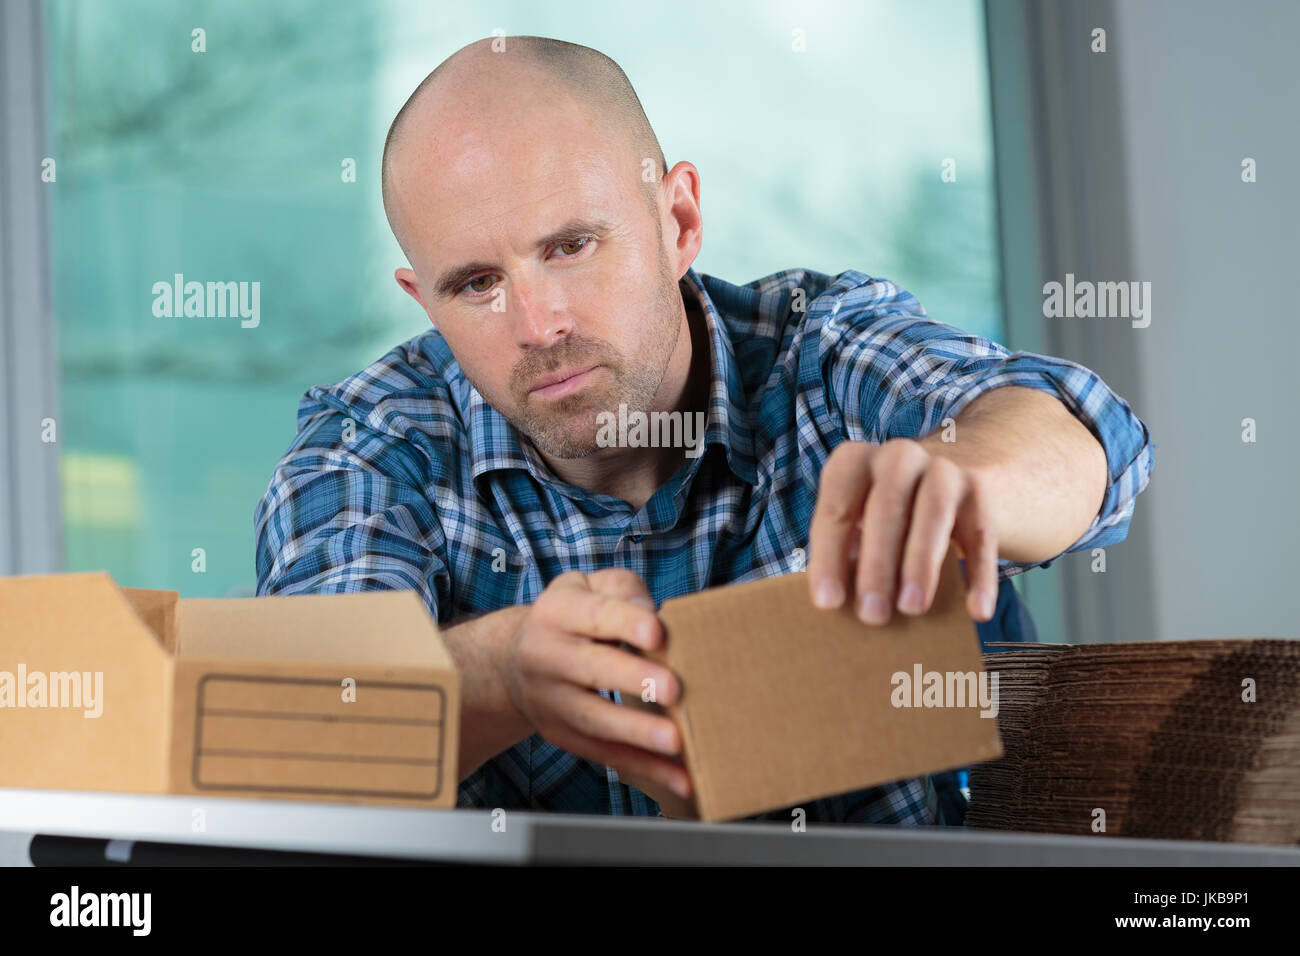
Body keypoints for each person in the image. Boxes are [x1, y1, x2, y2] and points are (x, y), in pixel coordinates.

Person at [254, 35, 1154, 823]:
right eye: (476, 284)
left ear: (677, 220)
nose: (538, 323)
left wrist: (966, 477)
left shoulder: (818, 350)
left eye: (570, 246)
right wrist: (500, 674)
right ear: (424, 300)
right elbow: (301, 746)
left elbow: (1085, 439)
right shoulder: (372, 442)